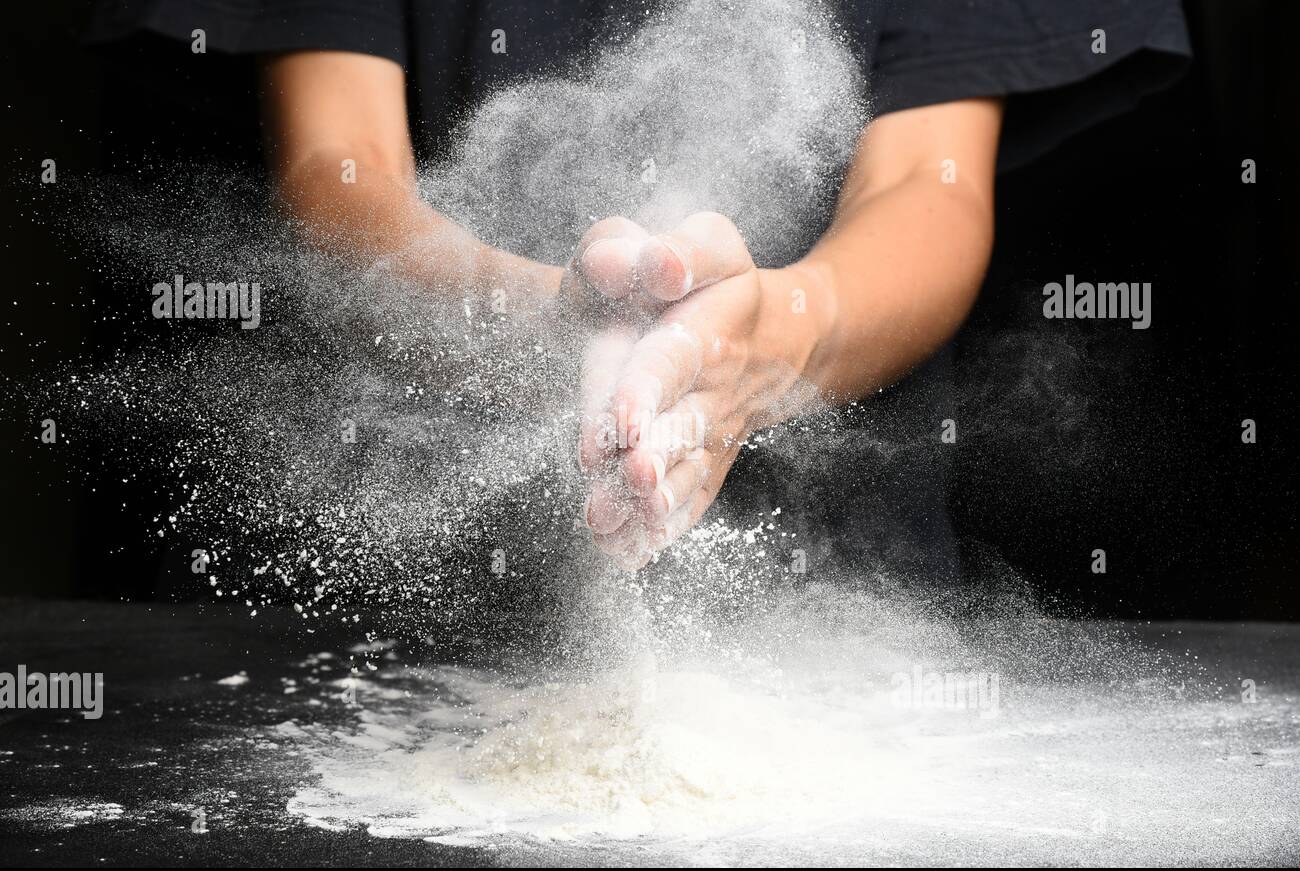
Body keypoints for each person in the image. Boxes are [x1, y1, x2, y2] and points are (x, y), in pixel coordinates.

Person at [88, 0, 1190, 578]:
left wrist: (775, 339)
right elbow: (338, 176)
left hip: (852, 651)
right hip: (419, 661)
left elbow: (927, 187)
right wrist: (543, 316)